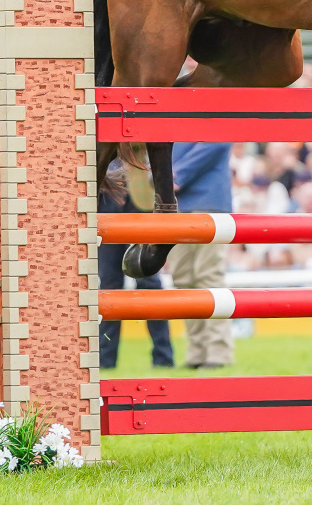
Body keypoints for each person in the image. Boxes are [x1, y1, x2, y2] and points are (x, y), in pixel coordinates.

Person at [97, 167, 174, 371]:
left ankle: (164, 357)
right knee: (109, 285)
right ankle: (105, 360)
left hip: (140, 198)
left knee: (149, 282)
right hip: (105, 198)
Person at [169, 141, 235, 368]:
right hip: (177, 202)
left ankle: (218, 352)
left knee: (208, 275)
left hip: (208, 200)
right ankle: (196, 352)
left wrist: (177, 175)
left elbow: (219, 141)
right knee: (183, 278)